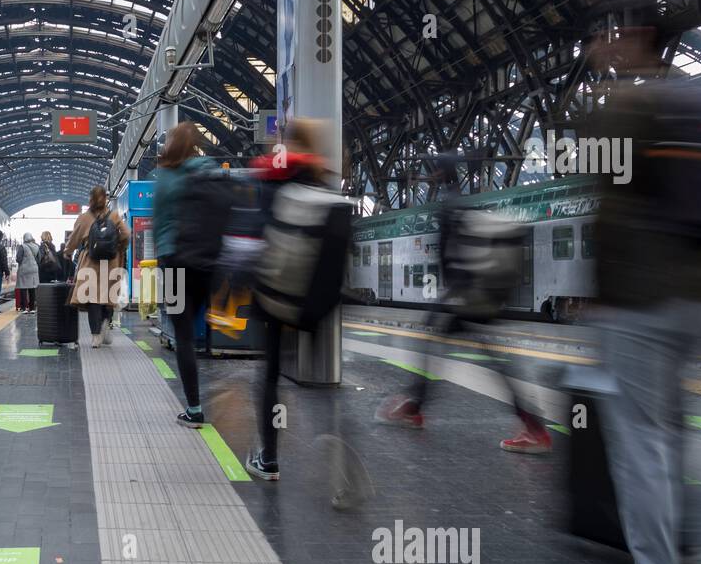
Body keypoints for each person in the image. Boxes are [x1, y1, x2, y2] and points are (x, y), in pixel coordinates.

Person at [575, 0, 701, 564]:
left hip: (641, 302)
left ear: (636, 37)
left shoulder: (625, 105)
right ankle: (677, 556)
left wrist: (598, 293)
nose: (601, 44)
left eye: (608, 33)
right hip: (699, 295)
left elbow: (603, 200)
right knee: (669, 436)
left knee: (640, 448)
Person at [374, 154, 554, 455]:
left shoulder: (447, 205)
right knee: (489, 358)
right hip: (476, 293)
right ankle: (532, 424)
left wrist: (448, 299)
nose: (428, 176)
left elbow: (449, 256)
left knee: (440, 347)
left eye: (431, 171)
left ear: (437, 174)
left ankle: (413, 407)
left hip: (464, 296)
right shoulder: (462, 201)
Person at [245, 121, 351, 480]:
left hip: (275, 291)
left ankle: (270, 457)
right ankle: (342, 458)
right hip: (315, 297)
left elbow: (260, 231)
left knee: (270, 375)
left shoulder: (271, 175)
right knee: (320, 382)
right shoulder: (324, 178)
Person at [151, 122, 224, 427]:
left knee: (183, 336)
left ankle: (194, 409)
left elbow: (159, 227)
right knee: (208, 325)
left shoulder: (166, 177)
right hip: (208, 263)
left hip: (175, 264)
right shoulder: (210, 170)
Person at [64, 185, 129, 349]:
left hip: (91, 262)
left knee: (93, 299)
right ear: (105, 199)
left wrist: (67, 252)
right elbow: (127, 234)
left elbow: (74, 239)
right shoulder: (114, 215)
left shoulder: (84, 217)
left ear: (90, 199)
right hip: (112, 262)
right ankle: (106, 322)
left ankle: (95, 337)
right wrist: (120, 248)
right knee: (108, 297)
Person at [15, 233, 40, 312]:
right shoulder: (37, 246)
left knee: (23, 287)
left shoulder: (22, 246)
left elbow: (18, 259)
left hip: (24, 269)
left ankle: (23, 307)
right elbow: (39, 259)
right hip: (34, 269)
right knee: (32, 288)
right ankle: (32, 307)